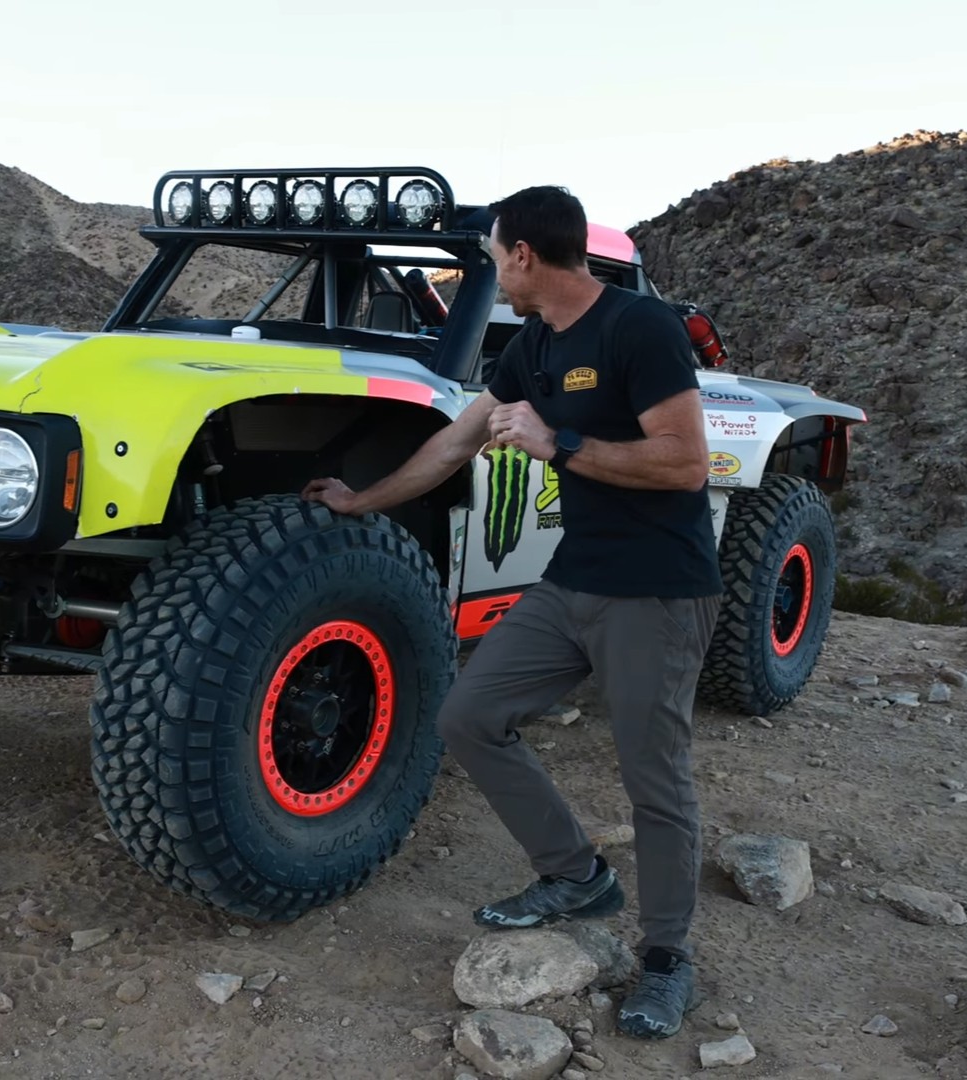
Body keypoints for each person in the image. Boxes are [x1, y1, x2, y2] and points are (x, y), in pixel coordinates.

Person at [301, 185, 722, 1039]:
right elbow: (457, 441)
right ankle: (574, 875)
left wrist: (561, 443)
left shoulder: (639, 329)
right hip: (573, 584)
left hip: (659, 591)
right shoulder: (531, 348)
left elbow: (684, 464)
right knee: (469, 715)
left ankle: (668, 957)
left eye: (494, 256)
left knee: (654, 781)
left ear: (524, 254)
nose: (491, 271)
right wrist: (362, 503)